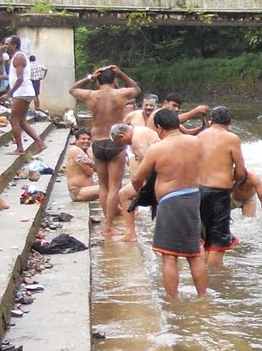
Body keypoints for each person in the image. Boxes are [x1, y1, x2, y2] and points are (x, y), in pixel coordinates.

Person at [128, 107, 208, 298]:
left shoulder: (157, 149)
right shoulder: (196, 142)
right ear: (177, 124)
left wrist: (141, 190)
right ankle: (203, 298)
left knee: (169, 255)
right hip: (193, 196)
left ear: (158, 127)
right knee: (194, 252)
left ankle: (172, 301)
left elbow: (138, 179)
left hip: (171, 202)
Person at [70, 64, 140, 241]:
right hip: (115, 142)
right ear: (114, 80)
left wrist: (89, 77)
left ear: (97, 81)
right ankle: (108, 226)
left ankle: (107, 224)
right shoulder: (120, 94)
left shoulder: (91, 95)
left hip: (98, 143)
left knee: (103, 186)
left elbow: (73, 89)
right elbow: (137, 89)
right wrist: (122, 73)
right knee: (115, 187)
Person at [195, 106, 250, 268]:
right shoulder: (232, 138)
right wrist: (236, 183)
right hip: (219, 193)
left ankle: (200, 273)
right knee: (217, 240)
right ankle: (215, 278)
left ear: (210, 120)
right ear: (230, 122)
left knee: (201, 237)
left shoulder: (200, 136)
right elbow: (240, 171)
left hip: (198, 190)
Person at [5, 38, 45, 154]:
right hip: (24, 92)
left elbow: (20, 78)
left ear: (15, 45)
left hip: (22, 93)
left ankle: (20, 148)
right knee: (22, 121)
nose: (5, 46)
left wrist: (9, 94)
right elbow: (14, 76)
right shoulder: (16, 57)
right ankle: (40, 144)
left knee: (14, 120)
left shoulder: (19, 57)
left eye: (7, 44)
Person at [63, 130, 99, 203]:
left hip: (89, 187)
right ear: (76, 140)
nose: (86, 141)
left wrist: (90, 163)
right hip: (78, 191)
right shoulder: (75, 151)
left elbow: (100, 169)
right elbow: (90, 172)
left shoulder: (89, 151)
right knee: (110, 189)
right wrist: (93, 164)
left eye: (88, 139)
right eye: (83, 139)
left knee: (113, 183)